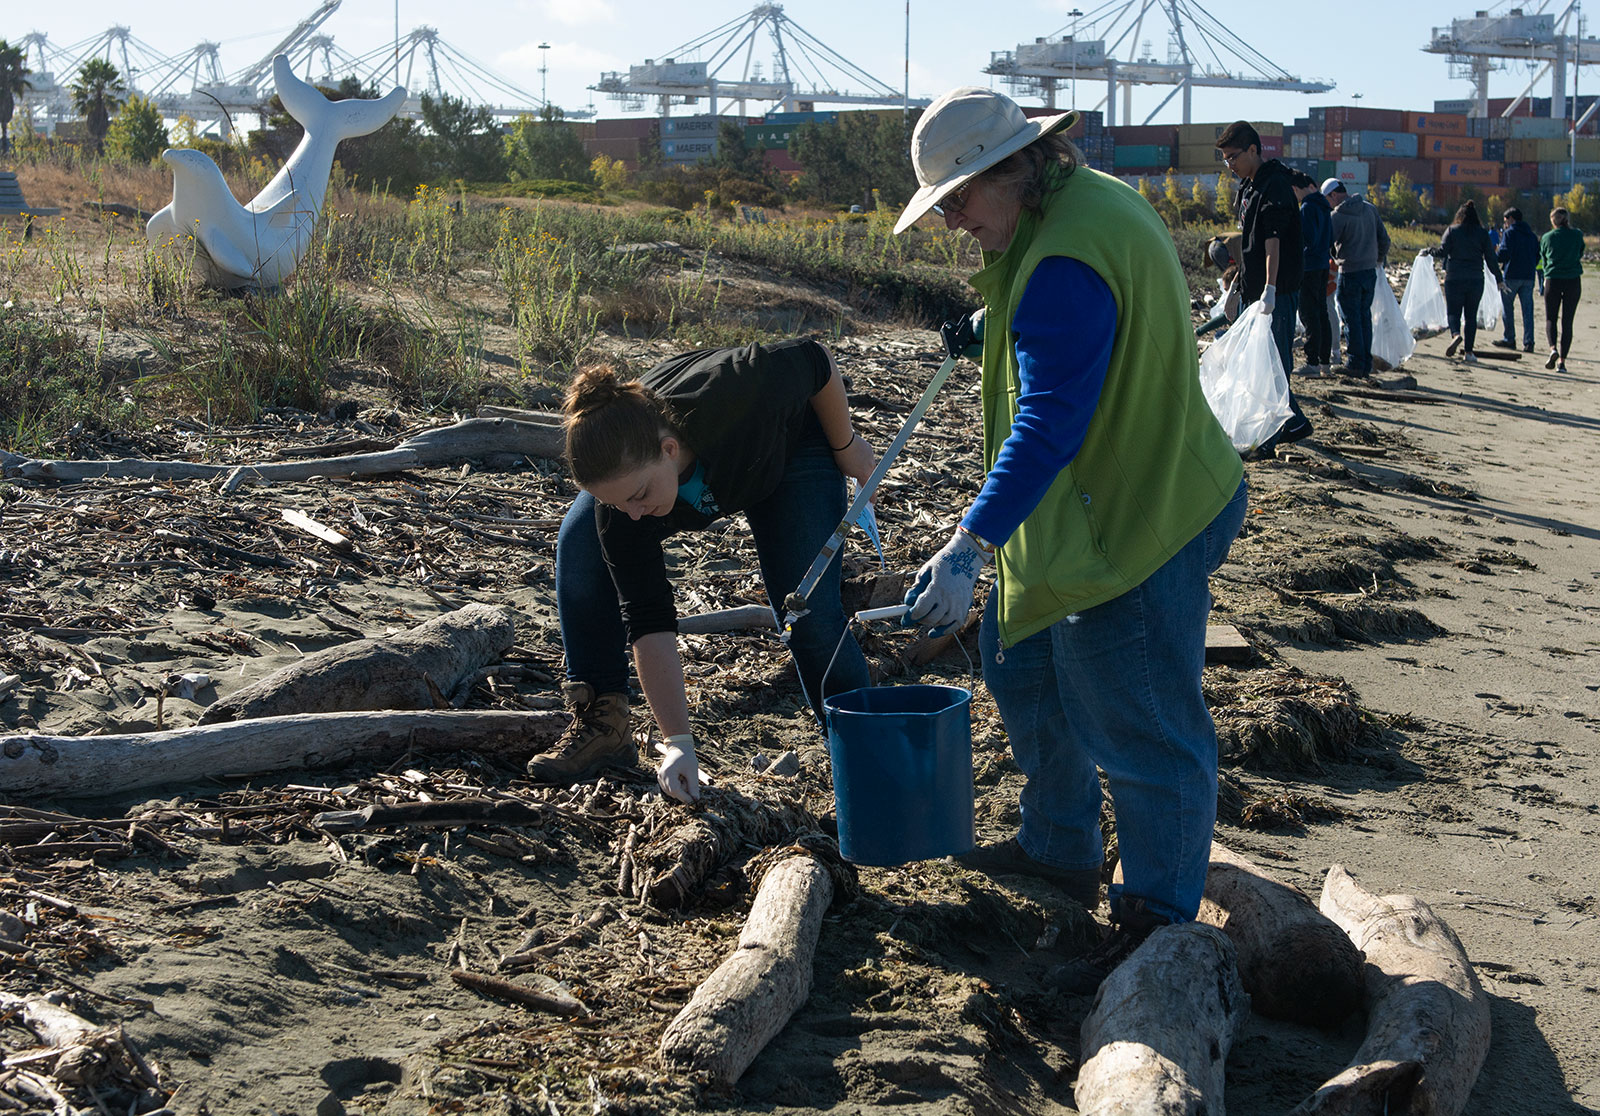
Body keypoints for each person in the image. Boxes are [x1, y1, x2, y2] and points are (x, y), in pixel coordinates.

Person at [890, 87, 1249, 991]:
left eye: (959, 201)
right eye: (944, 209)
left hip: (1133, 521)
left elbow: (1048, 418)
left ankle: (1154, 919)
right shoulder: (1082, 206)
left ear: (1009, 169)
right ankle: (1058, 848)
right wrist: (990, 323)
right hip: (1093, 511)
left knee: (1142, 721)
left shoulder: (1059, 264)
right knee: (1020, 666)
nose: (954, 223)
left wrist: (972, 542)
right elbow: (1073, 319)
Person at [540, 341, 875, 801]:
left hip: (791, 448)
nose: (636, 514)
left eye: (638, 495)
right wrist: (678, 743)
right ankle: (605, 725)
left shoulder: (740, 388)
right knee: (581, 544)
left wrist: (848, 444)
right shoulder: (623, 510)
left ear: (669, 449)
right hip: (685, 465)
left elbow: (815, 361)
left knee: (808, 616)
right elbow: (648, 620)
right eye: (619, 503)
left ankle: (868, 763)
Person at [1217, 121, 1313, 448]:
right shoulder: (1248, 186)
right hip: (1253, 289)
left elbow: (1274, 242)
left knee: (1273, 363)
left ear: (1253, 150)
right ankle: (1293, 423)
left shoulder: (1275, 187)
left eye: (1233, 157)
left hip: (1278, 291)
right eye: (1225, 159)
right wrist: (1235, 291)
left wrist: (1270, 289)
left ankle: (1272, 437)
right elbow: (1250, 246)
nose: (1230, 165)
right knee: (1253, 361)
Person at [1324, 178, 1391, 374]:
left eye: (1328, 199)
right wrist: (1377, 259)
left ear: (1334, 195)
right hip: (1370, 272)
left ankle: (1354, 363)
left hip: (1349, 272)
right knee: (1364, 317)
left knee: (1350, 319)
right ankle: (1365, 362)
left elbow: (1327, 242)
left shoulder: (1338, 216)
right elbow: (1385, 240)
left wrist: (1335, 258)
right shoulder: (1369, 209)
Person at [1437, 201, 1503, 364]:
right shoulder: (1482, 233)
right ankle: (1469, 352)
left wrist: (1428, 252)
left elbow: (1442, 251)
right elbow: (1490, 258)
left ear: (1459, 216)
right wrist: (1499, 279)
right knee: (1471, 316)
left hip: (1454, 277)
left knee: (1453, 312)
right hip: (1475, 279)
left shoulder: (1452, 231)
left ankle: (1456, 335)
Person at [1293, 169, 1334, 375]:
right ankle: (1325, 362)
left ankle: (1312, 362)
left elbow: (1307, 239)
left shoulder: (1308, 207)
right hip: (1323, 265)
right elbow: (1330, 239)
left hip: (1308, 266)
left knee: (1309, 315)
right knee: (1322, 313)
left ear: (1296, 189)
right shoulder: (1325, 206)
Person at [1539, 206, 1584, 372]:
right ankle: (1562, 362)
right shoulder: (1577, 235)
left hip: (1553, 279)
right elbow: (1580, 252)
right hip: (1573, 280)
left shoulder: (1547, 237)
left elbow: (1543, 257)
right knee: (1568, 321)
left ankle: (1553, 349)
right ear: (1567, 219)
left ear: (1553, 221)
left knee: (1551, 318)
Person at [1494, 208, 1540, 353]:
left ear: (1511, 218)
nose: (1505, 224)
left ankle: (1510, 338)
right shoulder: (1532, 235)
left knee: (1508, 308)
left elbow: (1504, 254)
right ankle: (1529, 342)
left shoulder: (1509, 233)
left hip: (1512, 275)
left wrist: (1495, 254)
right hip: (1528, 276)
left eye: (1506, 220)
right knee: (1527, 310)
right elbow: (1537, 255)